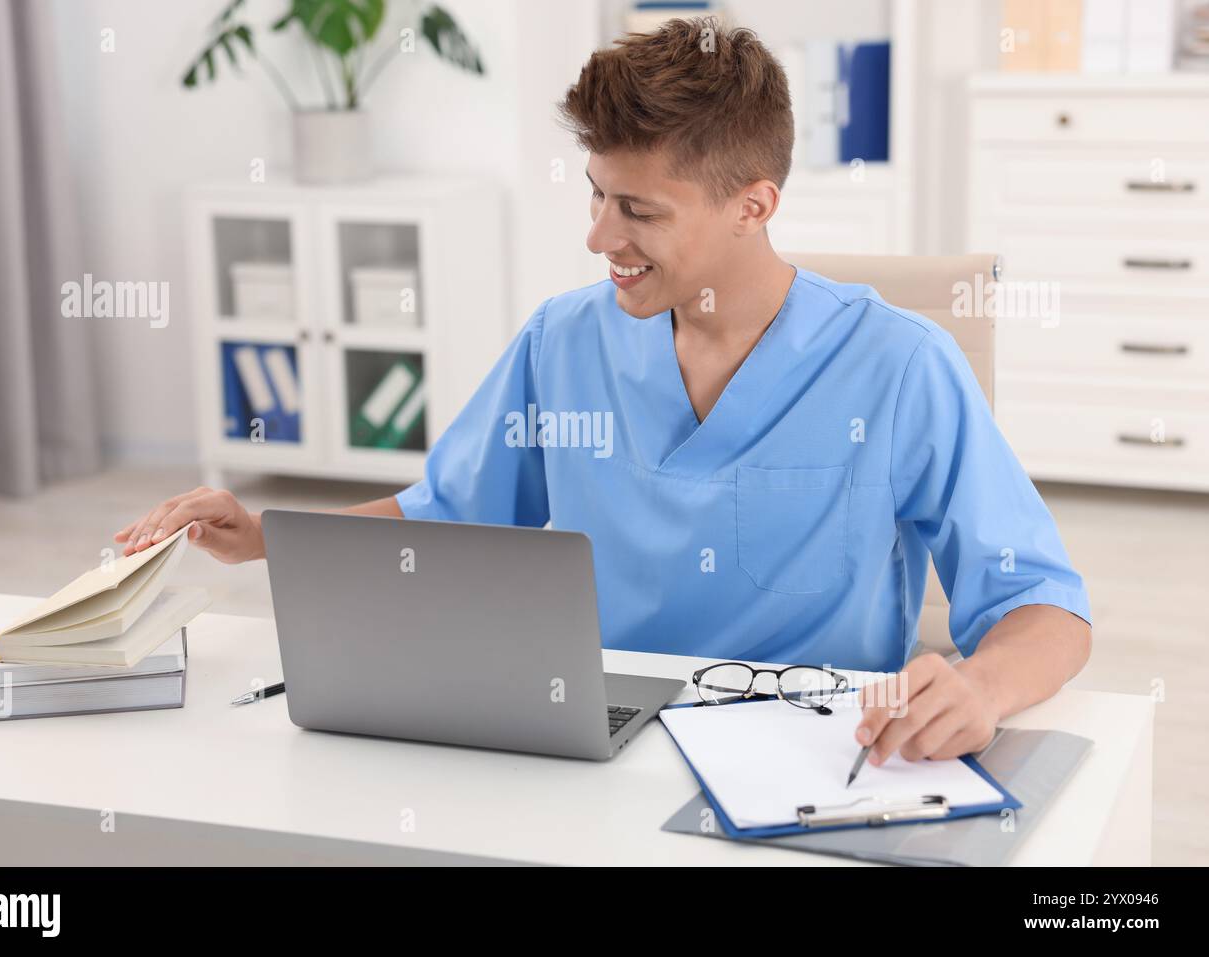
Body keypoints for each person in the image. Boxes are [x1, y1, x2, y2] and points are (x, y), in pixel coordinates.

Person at [116, 20, 1091, 769]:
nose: (598, 238)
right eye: (595, 195)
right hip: (582, 739)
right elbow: (447, 519)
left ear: (753, 204)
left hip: (810, 755)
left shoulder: (898, 366)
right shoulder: (563, 341)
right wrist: (265, 536)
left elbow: (1042, 603)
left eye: (639, 211)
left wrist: (981, 691)